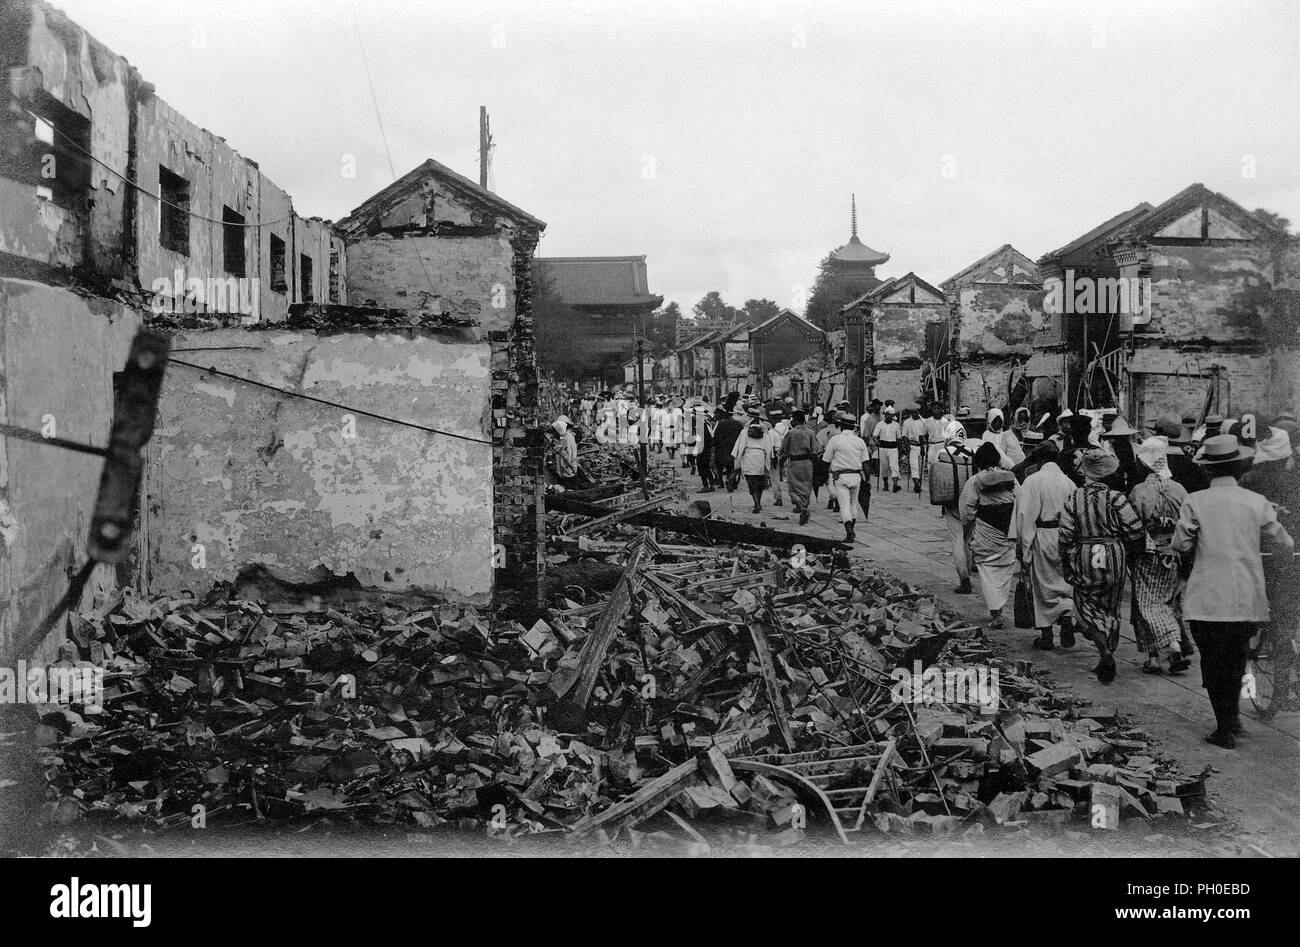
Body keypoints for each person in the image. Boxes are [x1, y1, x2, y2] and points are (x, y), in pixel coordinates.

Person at [1171, 434, 1294, 748]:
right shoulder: (1256, 502)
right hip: (1246, 597)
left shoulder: (1194, 501)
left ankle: (1224, 724)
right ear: (1240, 467)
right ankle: (1233, 717)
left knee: (1212, 660)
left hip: (1207, 598)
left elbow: (1180, 544)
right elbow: (1284, 542)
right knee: (1236, 658)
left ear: (1208, 470)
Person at [1060, 450, 1146, 683]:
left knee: (1084, 606)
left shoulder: (1074, 498)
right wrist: (1129, 553)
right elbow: (1135, 530)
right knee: (1111, 607)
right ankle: (1108, 648)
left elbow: (1066, 535)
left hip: (1085, 555)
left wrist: (1067, 564)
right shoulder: (1117, 498)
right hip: (1114, 555)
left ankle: (1103, 649)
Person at [1127, 437, 1192, 675]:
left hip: (1147, 554)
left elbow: (1132, 526)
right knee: (1165, 601)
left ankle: (1171, 646)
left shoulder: (1139, 491)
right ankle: (1154, 657)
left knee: (1148, 604)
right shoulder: (1179, 490)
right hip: (1173, 554)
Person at [1011, 441, 1076, 650]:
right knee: (1064, 583)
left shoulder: (1033, 481)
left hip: (1043, 535)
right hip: (1066, 536)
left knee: (1042, 584)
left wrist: (1024, 546)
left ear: (1039, 459)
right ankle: (1066, 616)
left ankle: (1047, 635)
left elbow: (1026, 516)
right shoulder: (1069, 482)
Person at [959, 442, 1020, 629]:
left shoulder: (975, 481)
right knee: (1003, 575)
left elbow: (966, 509)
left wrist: (969, 523)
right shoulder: (1011, 479)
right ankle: (999, 609)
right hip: (1007, 535)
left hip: (986, 535)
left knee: (988, 575)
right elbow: (1021, 500)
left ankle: (995, 614)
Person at [938, 421, 976, 594]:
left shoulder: (942, 452)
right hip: (971, 503)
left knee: (957, 540)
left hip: (952, 503)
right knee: (968, 540)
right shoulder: (973, 452)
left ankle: (964, 578)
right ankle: (967, 572)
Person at [822, 414, 871, 541]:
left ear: (841, 425)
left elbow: (826, 460)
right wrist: (868, 480)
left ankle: (849, 533)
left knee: (844, 505)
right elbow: (866, 463)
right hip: (856, 476)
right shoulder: (859, 441)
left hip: (840, 476)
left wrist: (823, 475)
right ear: (854, 427)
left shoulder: (835, 440)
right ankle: (852, 530)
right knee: (853, 504)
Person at [782, 410, 817, 525]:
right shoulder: (811, 432)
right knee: (806, 487)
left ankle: (802, 507)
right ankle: (804, 505)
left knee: (793, 488)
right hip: (808, 464)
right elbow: (816, 450)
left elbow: (783, 450)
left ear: (794, 420)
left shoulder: (791, 433)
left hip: (795, 463)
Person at [733, 417, 775, 513]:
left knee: (751, 482)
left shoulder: (744, 432)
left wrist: (737, 462)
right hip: (760, 459)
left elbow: (740, 447)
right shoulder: (765, 432)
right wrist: (768, 463)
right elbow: (769, 449)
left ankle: (756, 503)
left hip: (749, 458)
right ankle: (758, 502)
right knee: (759, 482)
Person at [712, 406, 742, 492]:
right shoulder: (738, 424)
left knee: (719, 466)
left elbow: (716, 436)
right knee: (733, 466)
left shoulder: (721, 423)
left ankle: (722, 482)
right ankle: (732, 480)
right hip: (734, 448)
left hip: (722, 448)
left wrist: (714, 445)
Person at [814, 410, 839, 511]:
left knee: (829, 480)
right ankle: (832, 499)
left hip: (827, 458)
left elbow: (818, 447)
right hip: (840, 459)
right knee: (837, 480)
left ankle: (834, 498)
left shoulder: (822, 432)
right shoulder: (841, 432)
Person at [874, 406, 903, 493]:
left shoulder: (896, 425)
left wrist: (900, 448)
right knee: (884, 467)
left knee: (894, 466)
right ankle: (886, 484)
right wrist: (876, 442)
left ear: (893, 416)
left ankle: (895, 484)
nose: (889, 416)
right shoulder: (880, 424)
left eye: (891, 415)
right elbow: (874, 435)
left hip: (893, 448)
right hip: (883, 447)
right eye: (887, 415)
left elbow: (899, 438)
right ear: (885, 415)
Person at [902, 406, 926, 495]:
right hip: (912, 446)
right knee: (914, 466)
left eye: (916, 412)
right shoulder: (907, 422)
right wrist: (908, 448)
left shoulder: (924, 422)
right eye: (912, 412)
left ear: (918, 411)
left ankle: (919, 482)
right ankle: (916, 484)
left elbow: (925, 435)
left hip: (922, 446)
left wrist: (924, 446)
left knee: (921, 467)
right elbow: (904, 436)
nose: (914, 414)